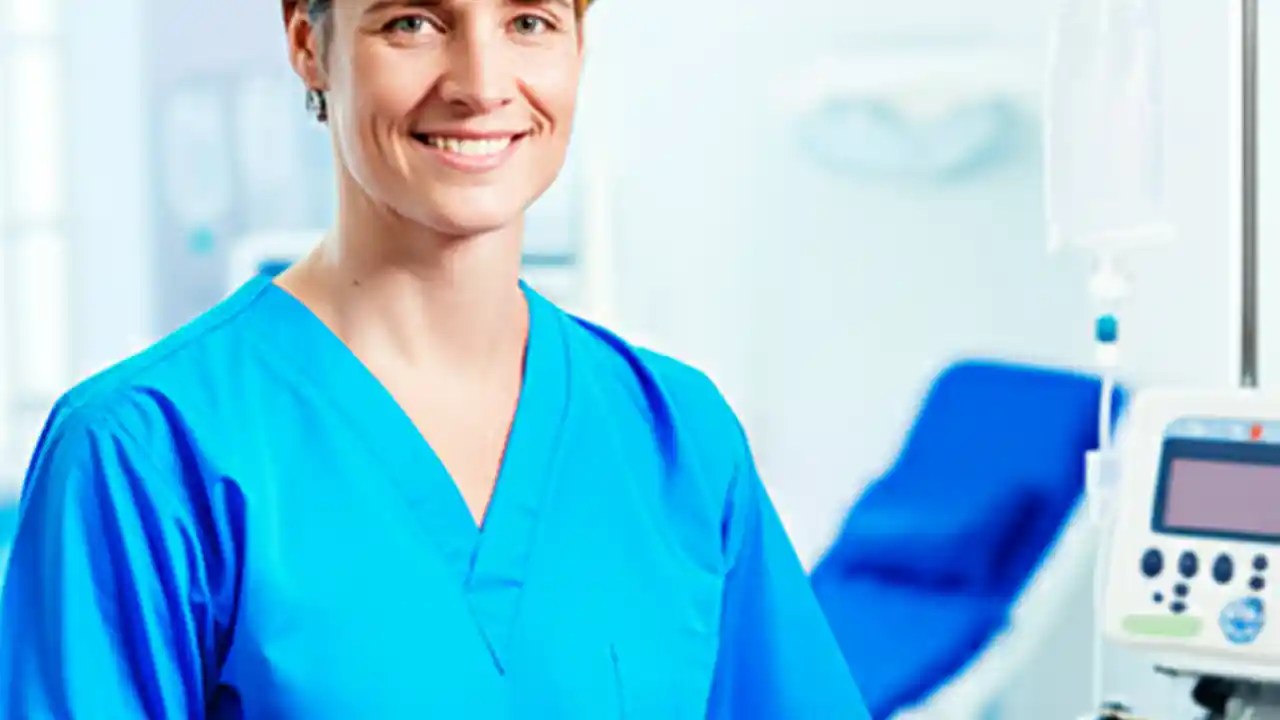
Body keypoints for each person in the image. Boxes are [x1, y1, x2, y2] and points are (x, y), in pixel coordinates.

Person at [0, 0, 871, 717]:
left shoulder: (677, 435)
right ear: (310, 43)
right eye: (414, 22)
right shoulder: (144, 451)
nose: (482, 86)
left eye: (528, 22)